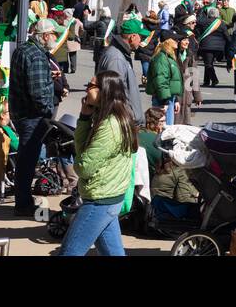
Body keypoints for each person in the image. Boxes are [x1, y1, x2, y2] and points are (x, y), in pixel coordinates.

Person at [58, 71, 138, 256]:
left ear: (105, 91)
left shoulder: (110, 125)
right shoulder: (109, 118)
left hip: (100, 200)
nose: (87, 88)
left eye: (92, 85)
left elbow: (84, 167)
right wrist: (85, 117)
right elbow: (83, 149)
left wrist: (77, 163)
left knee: (69, 253)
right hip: (108, 196)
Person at [9, 20, 59, 218]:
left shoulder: (25, 50)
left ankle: (23, 200)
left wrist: (48, 78)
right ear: (45, 35)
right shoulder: (36, 55)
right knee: (28, 160)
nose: (56, 37)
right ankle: (23, 203)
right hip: (32, 116)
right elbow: (38, 94)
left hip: (22, 113)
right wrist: (48, 111)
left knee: (25, 160)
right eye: (54, 33)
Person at [96, 17, 146, 121]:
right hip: (121, 122)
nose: (142, 40)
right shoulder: (117, 58)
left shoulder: (121, 54)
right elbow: (114, 97)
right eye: (141, 36)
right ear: (132, 37)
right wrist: (130, 117)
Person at [146, 34, 183, 125]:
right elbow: (161, 80)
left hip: (168, 98)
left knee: (167, 130)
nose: (177, 42)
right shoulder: (161, 58)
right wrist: (165, 101)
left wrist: (176, 100)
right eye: (175, 40)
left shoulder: (168, 56)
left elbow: (170, 80)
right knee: (163, 130)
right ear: (167, 42)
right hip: (162, 99)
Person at [195, 5, 227, 87]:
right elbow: (226, 35)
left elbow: (197, 23)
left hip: (206, 46)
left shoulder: (204, 21)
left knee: (208, 64)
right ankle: (206, 81)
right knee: (208, 63)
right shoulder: (221, 23)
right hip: (219, 47)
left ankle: (214, 79)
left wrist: (200, 10)